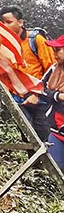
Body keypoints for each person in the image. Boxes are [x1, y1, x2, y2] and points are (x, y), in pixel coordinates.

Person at [0, 5, 53, 142]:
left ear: (20, 22)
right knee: (26, 135)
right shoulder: (4, 44)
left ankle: (47, 156)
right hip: (17, 97)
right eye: (2, 22)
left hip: (39, 97)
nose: (5, 25)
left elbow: (51, 70)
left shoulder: (35, 40)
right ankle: (32, 157)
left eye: (9, 22)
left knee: (43, 133)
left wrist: (36, 94)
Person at [42, 34, 64, 171]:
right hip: (57, 129)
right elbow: (40, 89)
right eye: (54, 50)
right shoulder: (53, 69)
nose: (54, 54)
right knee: (55, 168)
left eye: (58, 50)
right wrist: (57, 96)